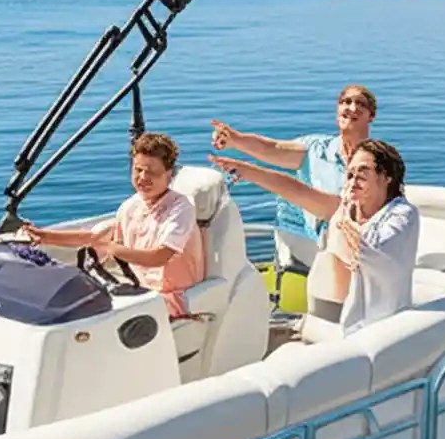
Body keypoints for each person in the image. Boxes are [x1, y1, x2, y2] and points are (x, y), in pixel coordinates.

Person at [209, 138, 418, 335]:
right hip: (327, 317)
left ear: (387, 177)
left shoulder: (401, 216)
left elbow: (369, 250)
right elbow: (296, 190)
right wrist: (247, 171)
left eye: (362, 174)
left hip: (369, 326)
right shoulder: (347, 207)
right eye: (350, 174)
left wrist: (345, 221)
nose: (353, 181)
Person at [22, 132, 205, 318]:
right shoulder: (131, 206)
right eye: (138, 170)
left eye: (151, 172)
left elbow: (158, 258)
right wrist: (45, 236)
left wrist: (110, 248)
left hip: (173, 299)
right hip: (139, 290)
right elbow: (93, 238)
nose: (142, 177)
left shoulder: (181, 208)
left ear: (169, 174)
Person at [210, 84, 378, 269]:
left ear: (371, 116)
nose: (352, 108)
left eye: (360, 104)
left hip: (357, 243)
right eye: (346, 102)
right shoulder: (317, 149)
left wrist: (249, 171)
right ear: (337, 109)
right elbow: (272, 148)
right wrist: (236, 140)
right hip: (312, 241)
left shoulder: (378, 161)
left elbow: (335, 207)